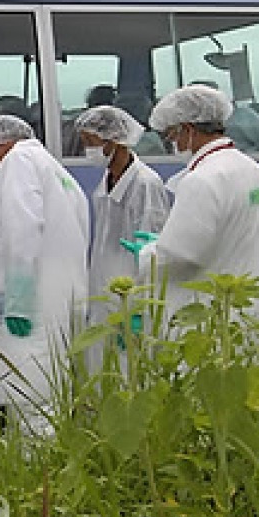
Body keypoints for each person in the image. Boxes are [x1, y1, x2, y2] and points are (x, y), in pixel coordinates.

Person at [0, 114, 88, 437]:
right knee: (43, 393)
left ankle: (33, 468)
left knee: (29, 397)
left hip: (29, 304)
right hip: (56, 299)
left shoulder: (18, 162)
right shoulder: (53, 168)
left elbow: (21, 231)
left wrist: (18, 300)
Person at [127, 85, 259, 327]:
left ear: (187, 129)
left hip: (219, 316)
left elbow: (181, 255)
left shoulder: (202, 179)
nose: (172, 144)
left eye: (171, 136)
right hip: (256, 304)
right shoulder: (250, 168)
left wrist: (147, 252)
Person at [74, 106, 170, 365]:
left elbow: (152, 249)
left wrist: (137, 310)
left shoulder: (145, 184)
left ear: (114, 140)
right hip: (105, 291)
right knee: (101, 370)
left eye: (91, 141)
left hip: (131, 298)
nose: (88, 149)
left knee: (130, 371)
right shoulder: (107, 180)